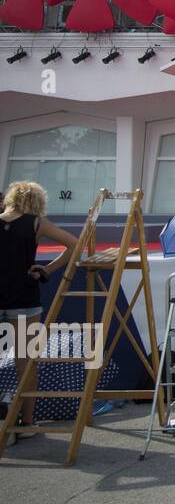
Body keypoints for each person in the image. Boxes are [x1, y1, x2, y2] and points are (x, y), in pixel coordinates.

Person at [0, 181, 79, 437]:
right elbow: (74, 244)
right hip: (24, 295)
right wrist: (47, 270)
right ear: (37, 202)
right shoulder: (36, 223)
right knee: (26, 360)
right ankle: (27, 422)